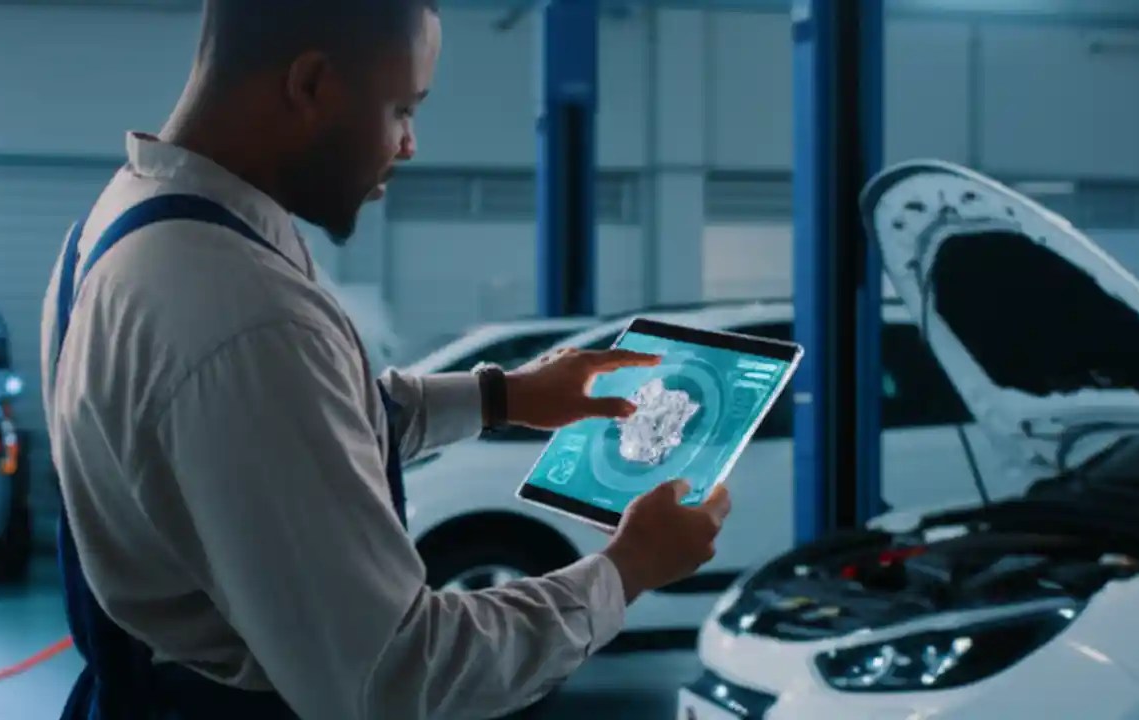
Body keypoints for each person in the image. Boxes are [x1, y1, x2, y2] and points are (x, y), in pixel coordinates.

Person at [40, 1, 731, 719]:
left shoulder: (124, 221)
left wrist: (504, 396)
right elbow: (397, 678)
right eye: (402, 108)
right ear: (310, 84)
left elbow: (287, 433)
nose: (409, 146)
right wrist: (628, 570)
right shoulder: (242, 308)